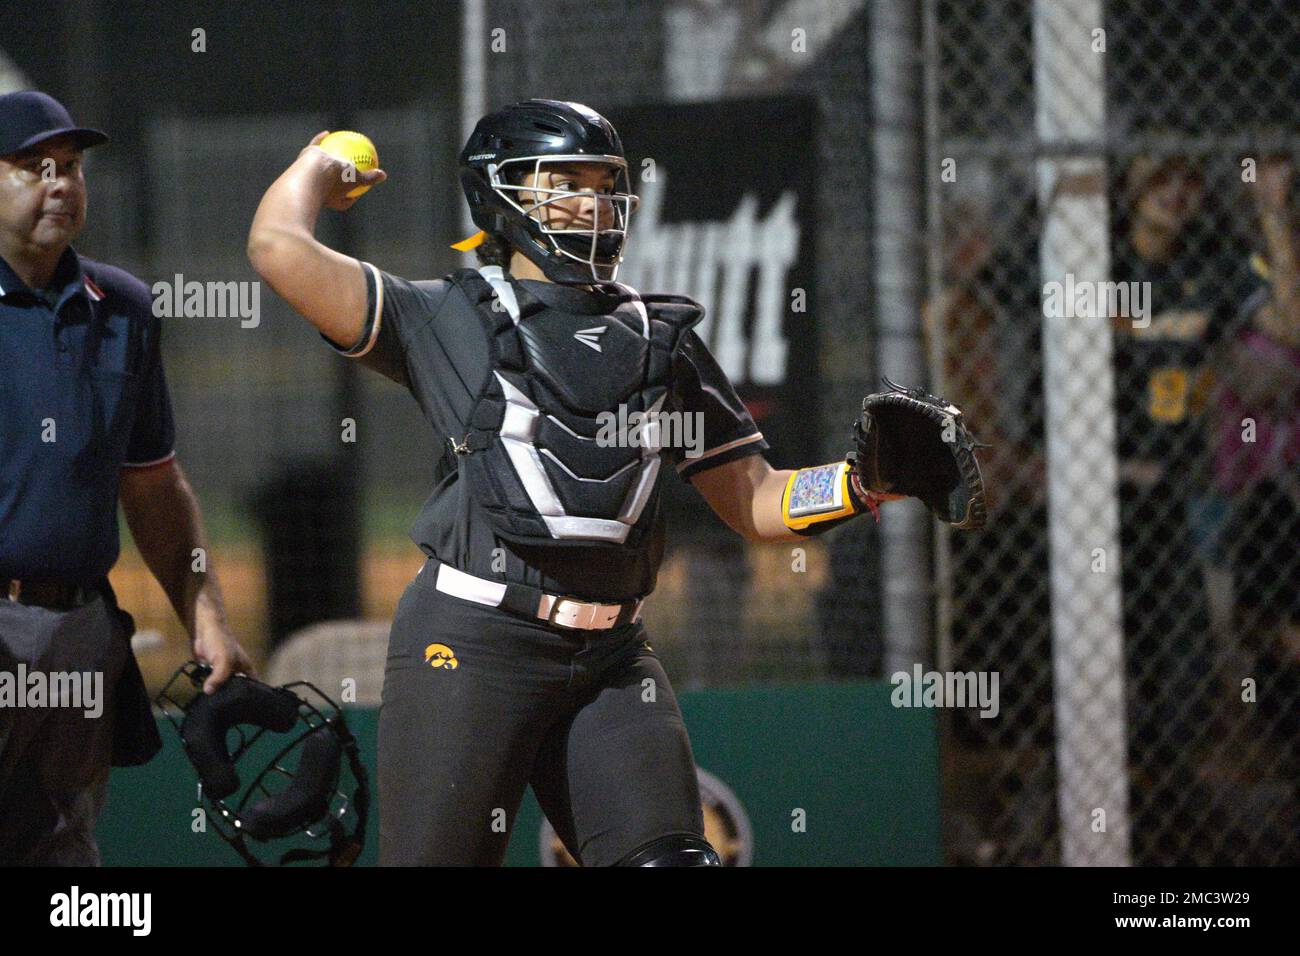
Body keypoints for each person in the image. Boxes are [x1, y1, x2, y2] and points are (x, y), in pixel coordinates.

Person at [248, 99, 915, 866]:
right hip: (471, 645)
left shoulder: (660, 340)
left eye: (605, 183)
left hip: (611, 658)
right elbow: (276, 247)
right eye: (565, 182)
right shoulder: (447, 316)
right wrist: (315, 167)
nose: (593, 202)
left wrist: (861, 484)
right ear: (502, 197)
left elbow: (756, 499)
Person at [0, 90, 252, 865]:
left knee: (63, 849)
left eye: (71, 167)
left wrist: (203, 614)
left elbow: (153, 486)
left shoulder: (125, 309)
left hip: (78, 632)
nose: (61, 183)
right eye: (34, 167)